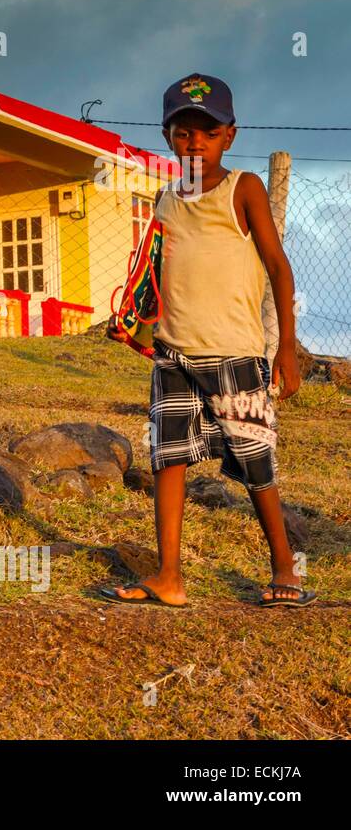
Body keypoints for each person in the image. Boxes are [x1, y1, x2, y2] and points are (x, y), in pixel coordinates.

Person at [101, 73, 313, 609]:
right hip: (173, 352)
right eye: (183, 130)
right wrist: (136, 320)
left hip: (235, 354)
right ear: (168, 136)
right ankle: (169, 574)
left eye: (208, 131)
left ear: (230, 136)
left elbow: (278, 268)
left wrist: (286, 345)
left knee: (256, 464)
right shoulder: (166, 199)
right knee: (167, 459)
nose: (195, 141)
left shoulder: (243, 188)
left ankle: (285, 566)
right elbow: (160, 272)